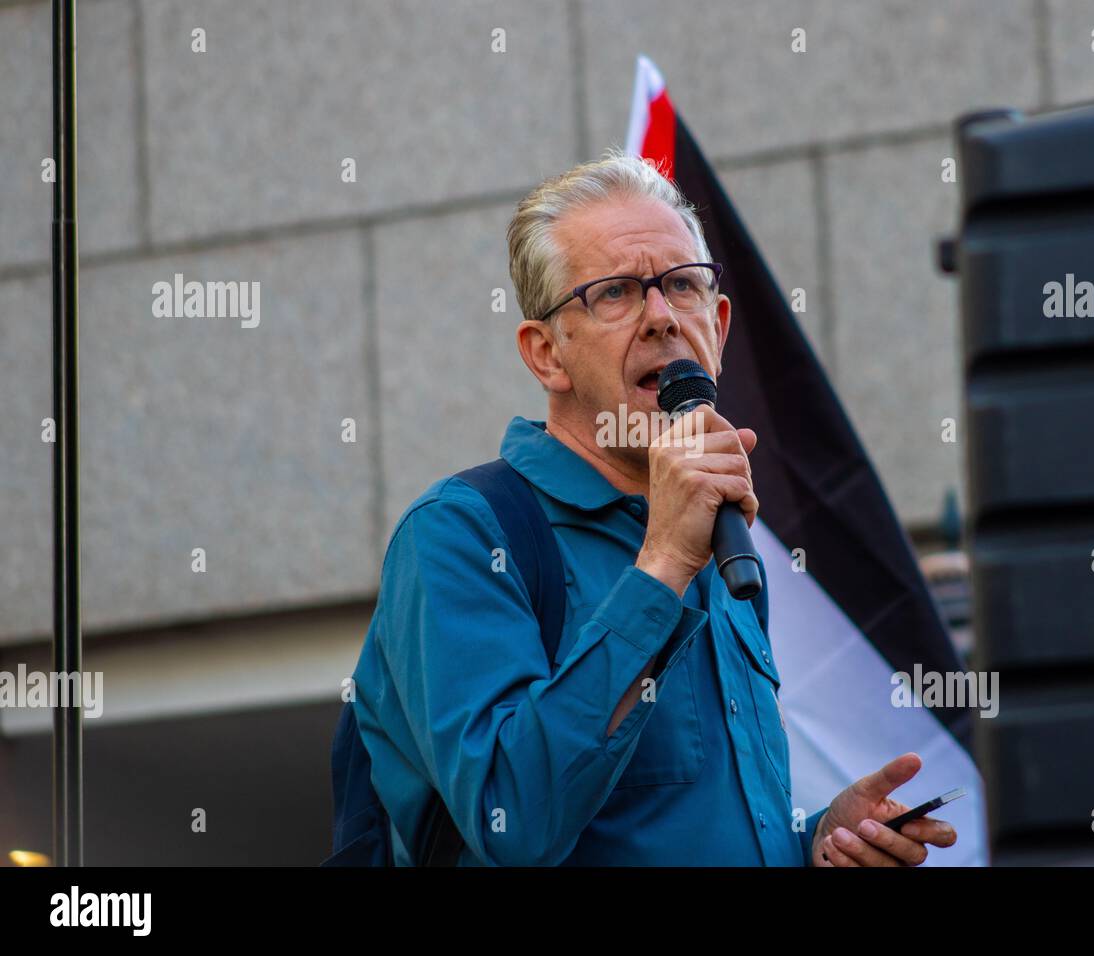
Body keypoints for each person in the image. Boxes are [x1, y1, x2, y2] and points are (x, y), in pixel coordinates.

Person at [350, 149, 959, 866]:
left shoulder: (722, 544)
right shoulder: (461, 534)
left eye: (682, 285)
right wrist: (663, 563)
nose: (662, 317)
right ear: (546, 354)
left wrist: (817, 846)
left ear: (720, 326)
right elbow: (512, 821)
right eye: (615, 293)